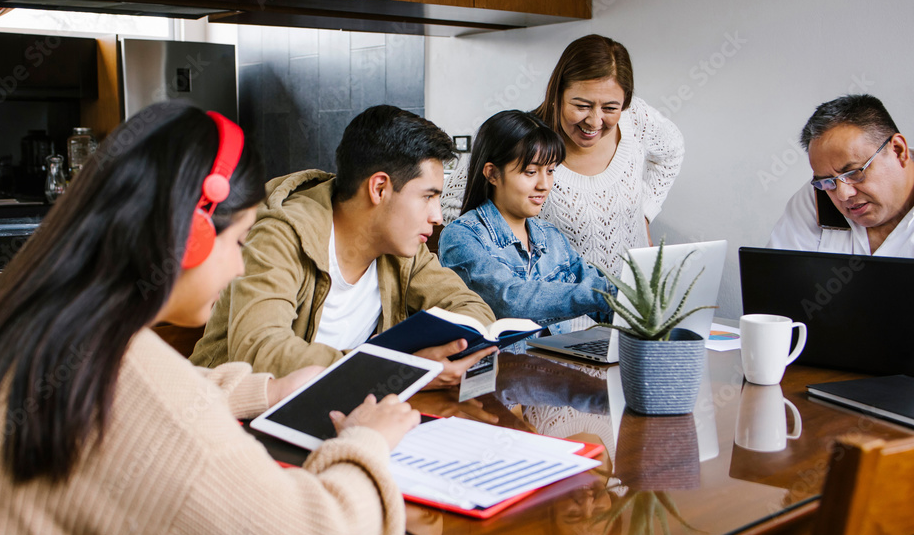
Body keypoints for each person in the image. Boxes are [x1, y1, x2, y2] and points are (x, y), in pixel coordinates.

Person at [0, 101, 421, 535]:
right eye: (239, 240)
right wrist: (366, 442)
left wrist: (265, 390)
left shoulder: (26, 319)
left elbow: (146, 406)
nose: (240, 264)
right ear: (190, 234)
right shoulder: (120, 375)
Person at [191, 104, 497, 386]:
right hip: (229, 420)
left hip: (335, 408)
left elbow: (471, 310)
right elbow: (259, 353)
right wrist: (399, 368)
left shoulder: (403, 249)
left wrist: (432, 357)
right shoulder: (280, 236)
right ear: (379, 188)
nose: (438, 217)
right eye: (428, 196)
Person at [442, 34, 685, 285]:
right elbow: (453, 204)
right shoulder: (526, 139)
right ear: (557, 93)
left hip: (634, 298)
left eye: (610, 109)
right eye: (581, 105)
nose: (594, 121)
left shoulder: (635, 119)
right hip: (562, 313)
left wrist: (645, 212)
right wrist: (510, 271)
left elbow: (672, 150)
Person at [438, 110, 612, 335]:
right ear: (492, 174)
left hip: (557, 366)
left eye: (550, 171)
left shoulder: (551, 237)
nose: (544, 184)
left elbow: (601, 293)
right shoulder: (461, 236)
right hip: (501, 368)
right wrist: (602, 294)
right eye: (530, 172)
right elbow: (510, 300)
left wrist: (635, 299)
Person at [768, 94, 914, 256]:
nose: (843, 194)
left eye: (853, 173)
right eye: (827, 181)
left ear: (898, 150)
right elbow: (777, 276)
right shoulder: (816, 196)